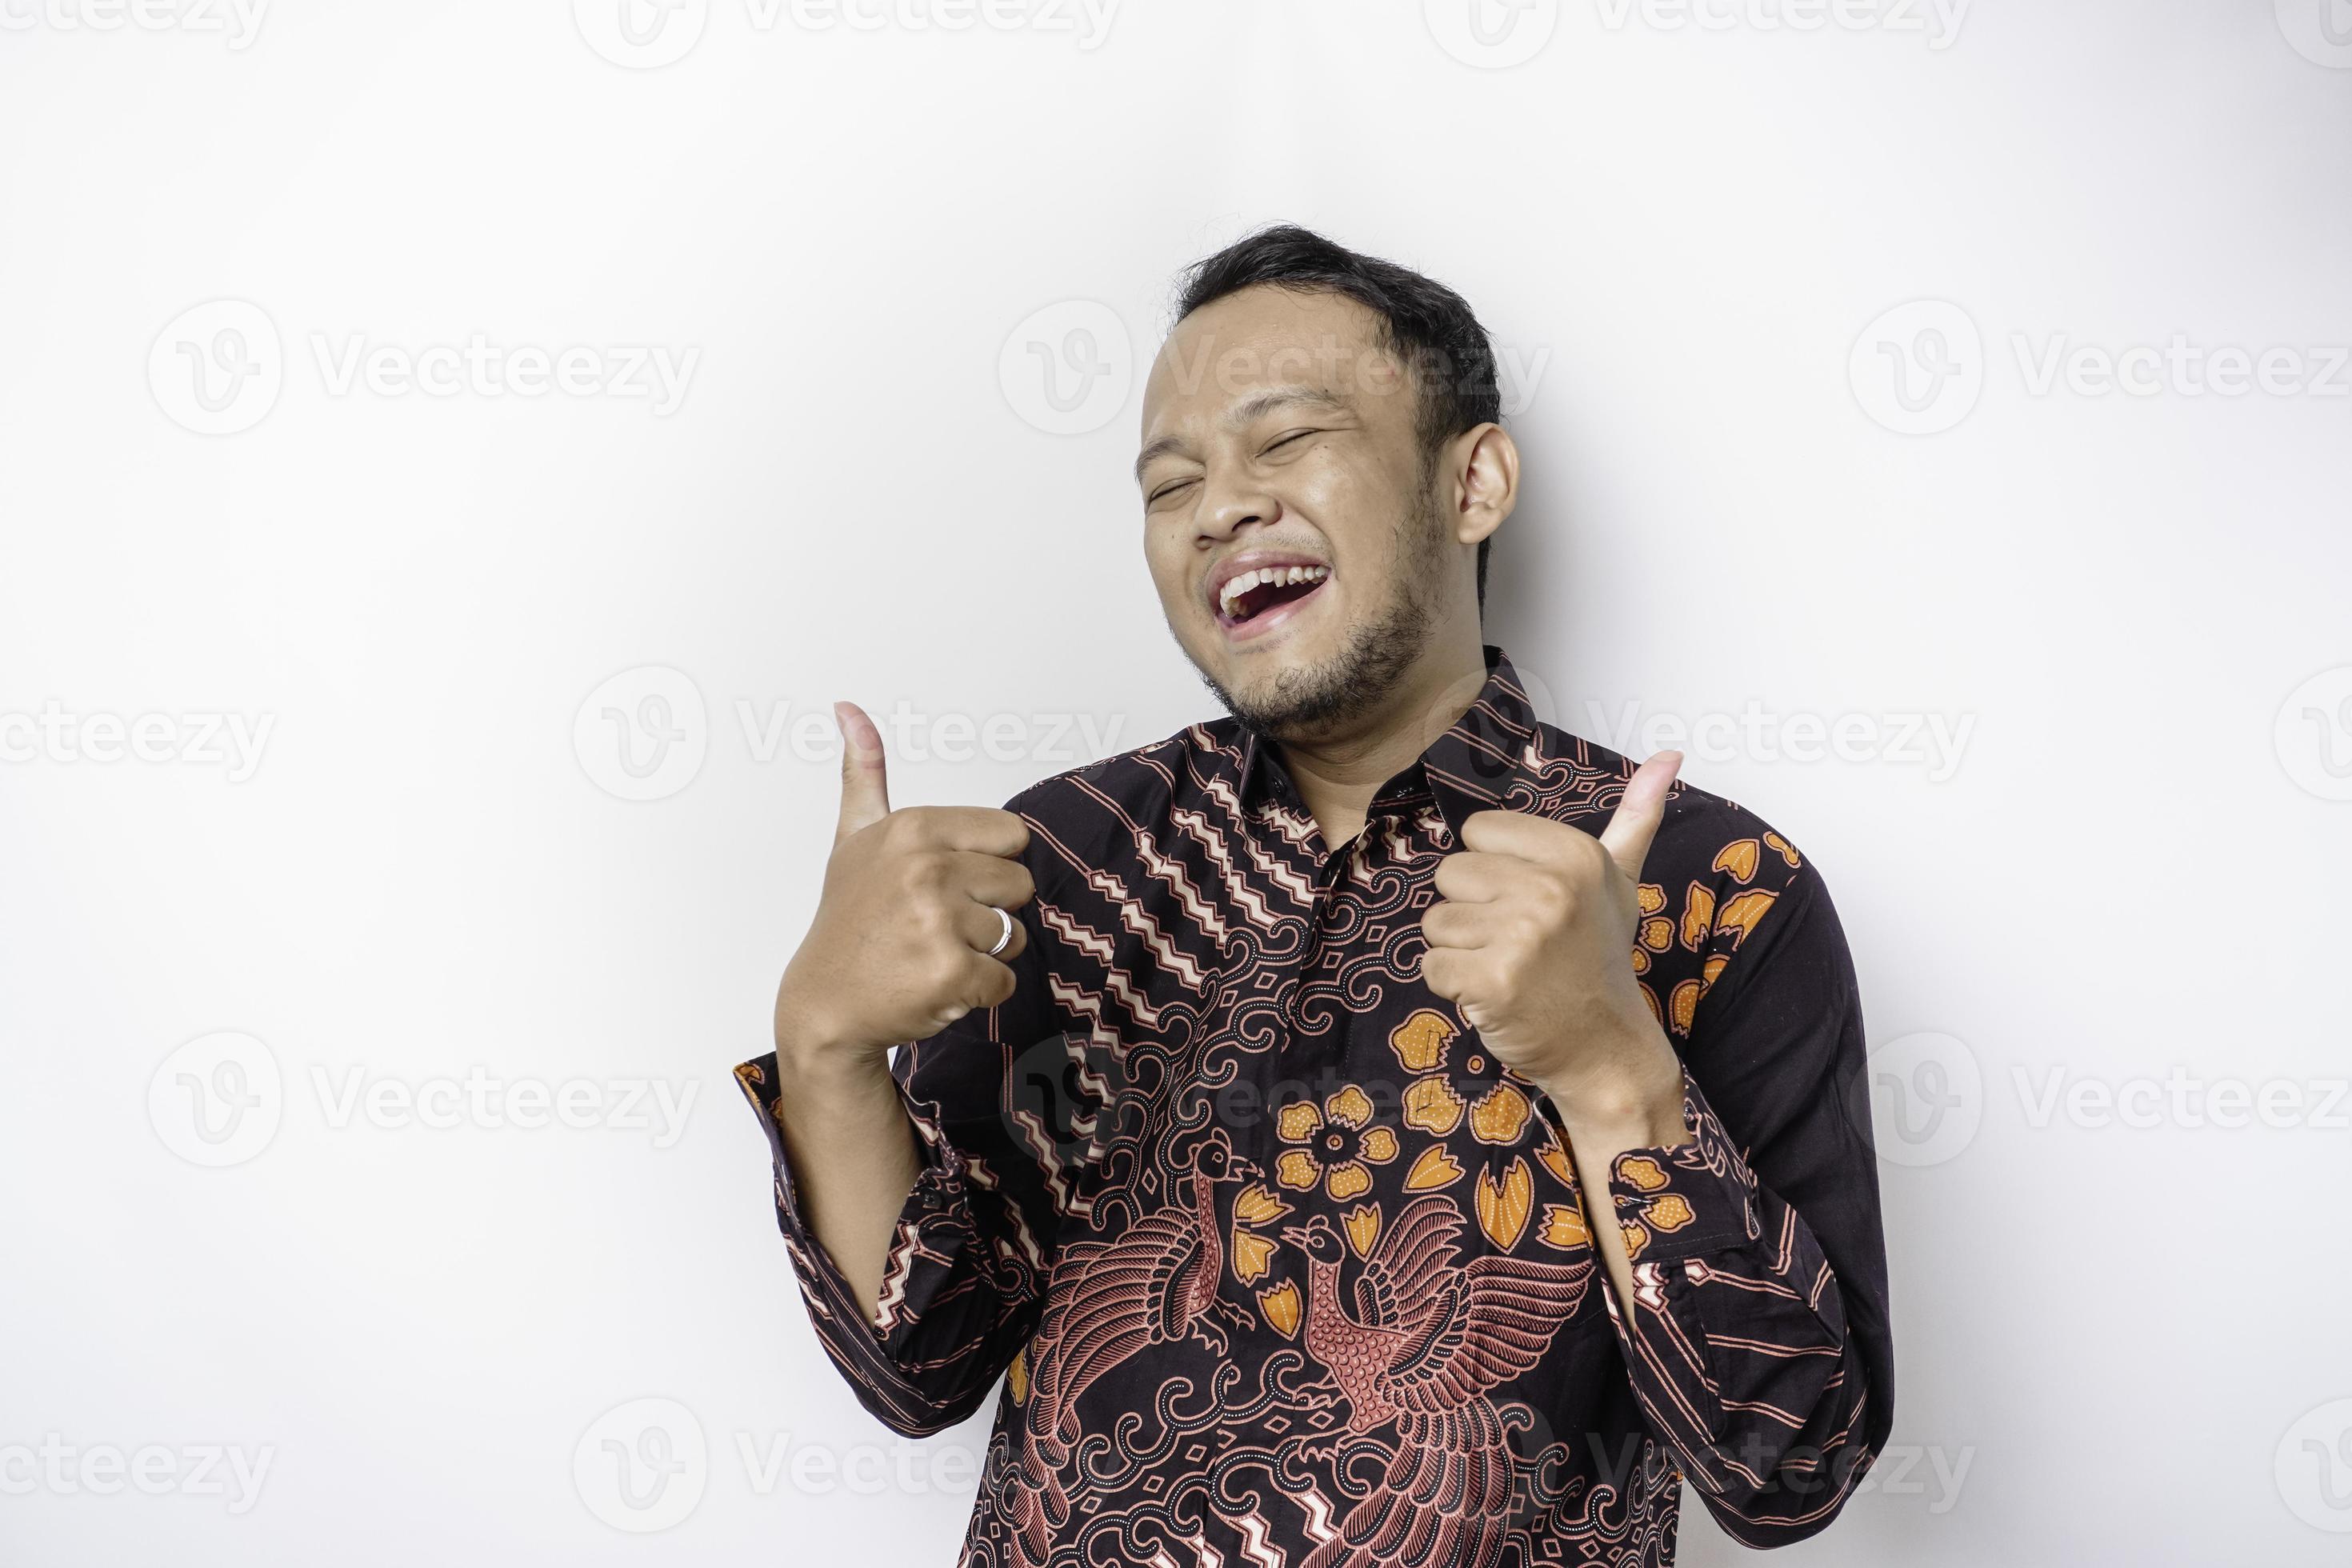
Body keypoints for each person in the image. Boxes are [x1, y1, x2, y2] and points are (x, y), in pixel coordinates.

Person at [735, 226, 1893, 1568]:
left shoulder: (1711, 888)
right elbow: (919, 1364)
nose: (1219, 508)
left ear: (1472, 482)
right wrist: (826, 1047)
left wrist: (1608, 1068)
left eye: (1284, 441)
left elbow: (1789, 1469)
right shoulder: (1064, 863)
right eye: (1171, 484)